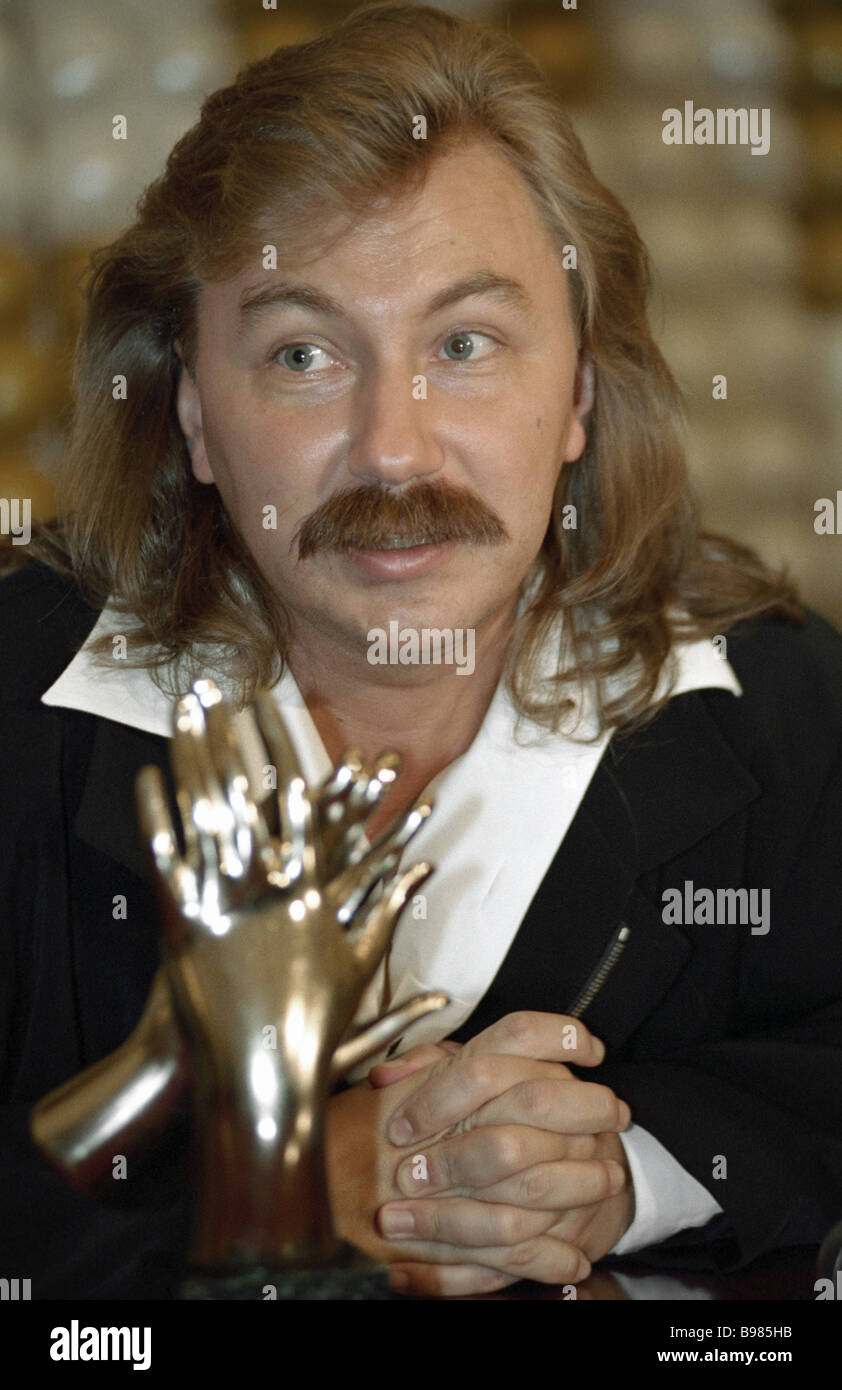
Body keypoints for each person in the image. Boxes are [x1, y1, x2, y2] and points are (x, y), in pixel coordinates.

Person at [2, 0, 841, 1301]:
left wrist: (635, 1162)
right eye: (301, 354)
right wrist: (272, 1180)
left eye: (463, 344)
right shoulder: (17, 708)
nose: (393, 447)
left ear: (576, 394)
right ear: (193, 418)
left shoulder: (790, 713)